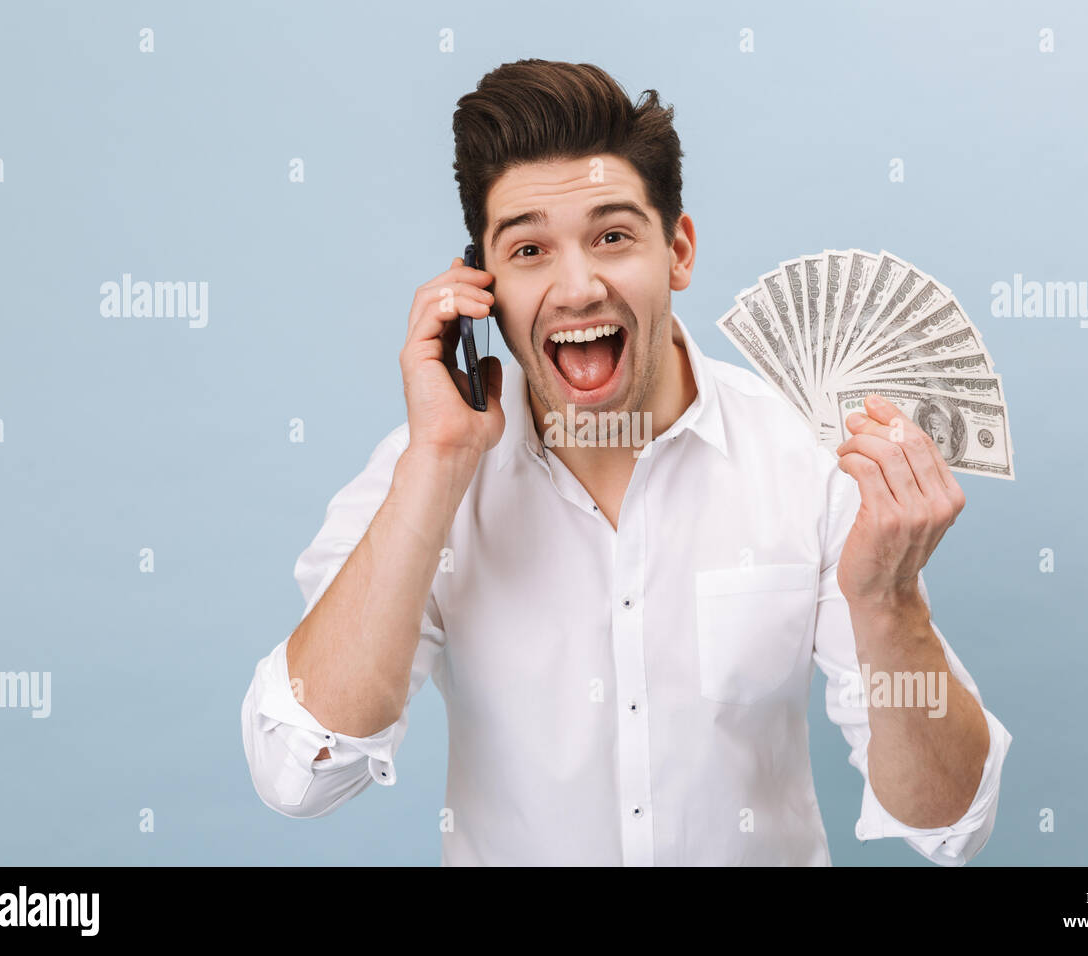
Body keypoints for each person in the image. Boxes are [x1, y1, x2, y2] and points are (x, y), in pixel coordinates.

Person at [240, 59, 1012, 866]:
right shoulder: (425, 473)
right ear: (482, 286)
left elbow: (948, 825)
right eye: (530, 248)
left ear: (677, 250)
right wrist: (435, 466)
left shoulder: (804, 458)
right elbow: (299, 775)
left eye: (613, 236)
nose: (577, 289)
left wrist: (889, 603)